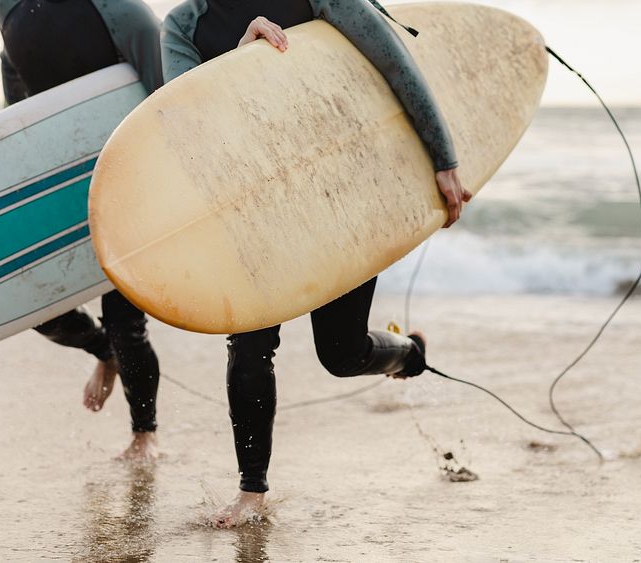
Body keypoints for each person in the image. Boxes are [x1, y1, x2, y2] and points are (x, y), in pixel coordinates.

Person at [161, 0, 469, 527]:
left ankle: (409, 353)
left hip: (341, 195)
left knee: (341, 353)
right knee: (250, 343)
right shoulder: (183, 26)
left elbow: (396, 66)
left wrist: (443, 160)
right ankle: (251, 492)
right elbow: (190, 131)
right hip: (254, 207)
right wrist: (239, 63)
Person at [0, 0, 165, 460]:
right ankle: (101, 350)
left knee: (126, 320)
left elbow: (166, 93)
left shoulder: (121, 10)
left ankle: (143, 435)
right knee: (37, 304)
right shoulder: (7, 7)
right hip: (61, 179)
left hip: (127, 175)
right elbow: (18, 104)